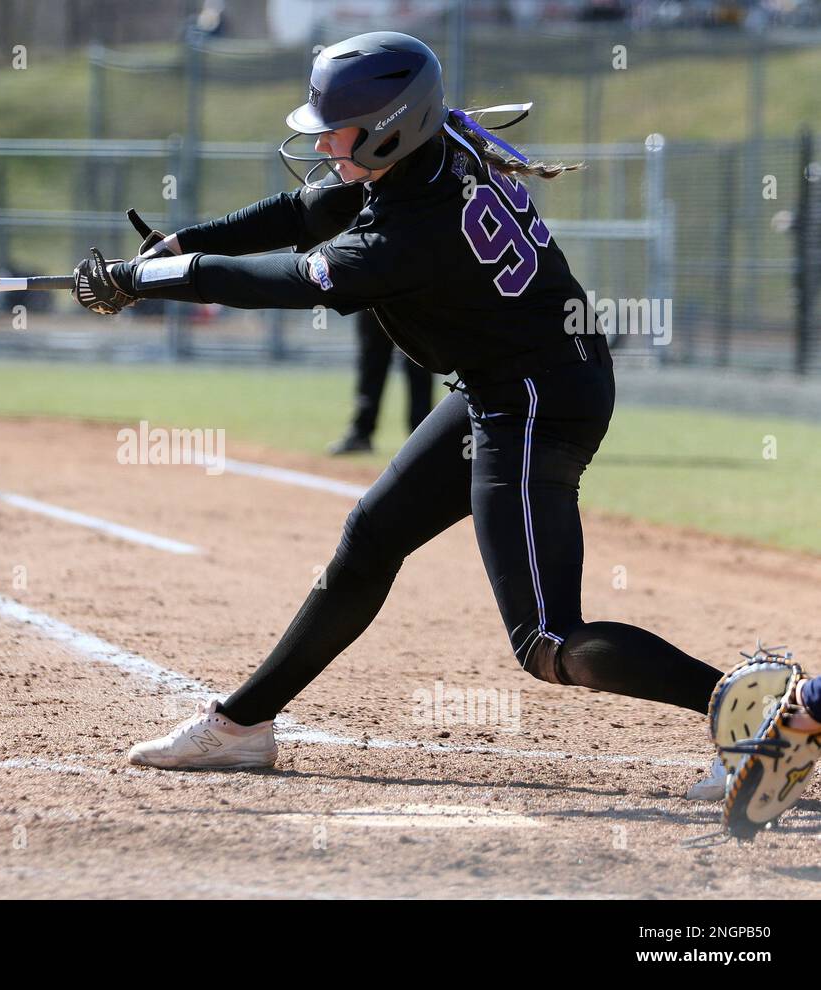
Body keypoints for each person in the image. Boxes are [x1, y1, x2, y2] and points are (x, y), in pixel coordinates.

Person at [71, 32, 751, 802]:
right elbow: (304, 210)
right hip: (512, 383)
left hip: (536, 400)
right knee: (371, 537)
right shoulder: (432, 147)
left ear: (393, 125)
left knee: (547, 640)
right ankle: (242, 726)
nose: (323, 141)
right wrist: (182, 244)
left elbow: (297, 277)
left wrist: (152, 278)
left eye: (340, 128)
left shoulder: (409, 231)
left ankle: (758, 714)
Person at [327, 308, 434, 454]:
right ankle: (361, 433)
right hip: (372, 298)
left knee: (419, 364)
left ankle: (422, 437)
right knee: (371, 363)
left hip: (411, 298)